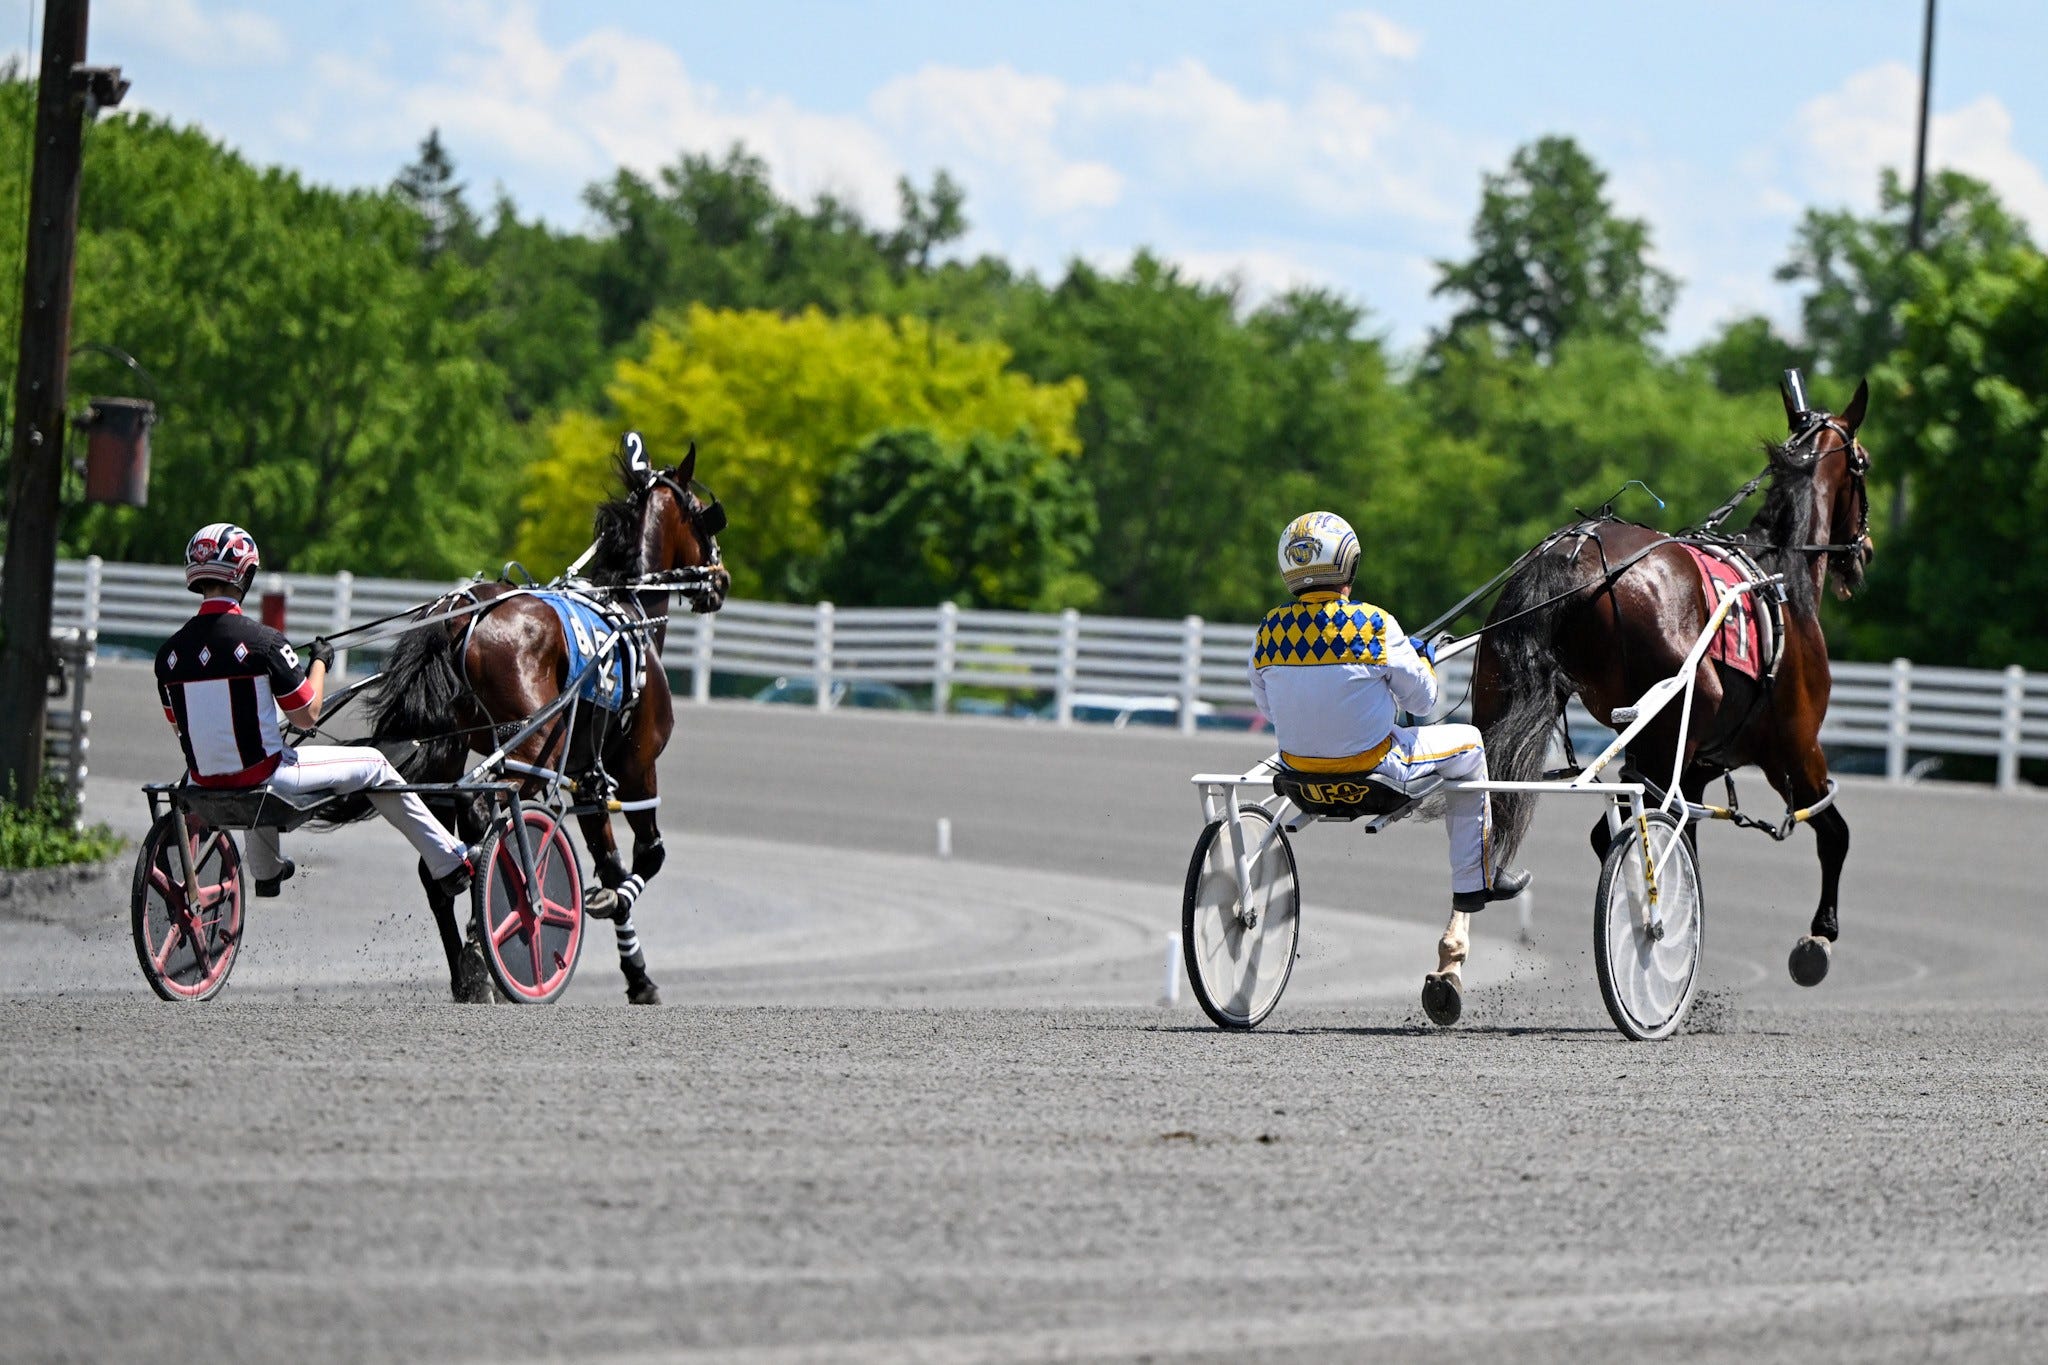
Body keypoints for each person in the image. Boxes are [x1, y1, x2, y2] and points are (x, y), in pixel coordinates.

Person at [1248, 510, 1528, 1025]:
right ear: (1349, 564)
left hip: (1299, 780)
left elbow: (1268, 705)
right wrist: (1417, 659)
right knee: (1469, 744)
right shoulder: (1375, 624)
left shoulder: (1268, 631)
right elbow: (1423, 698)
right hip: (1376, 775)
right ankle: (1476, 879)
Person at [153, 522, 473, 900]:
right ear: (245, 574)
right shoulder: (264, 642)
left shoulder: (168, 656)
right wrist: (319, 663)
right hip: (268, 778)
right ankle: (450, 860)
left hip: (201, 784)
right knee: (374, 764)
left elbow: (182, 730)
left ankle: (267, 873)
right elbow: (308, 714)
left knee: (249, 768)